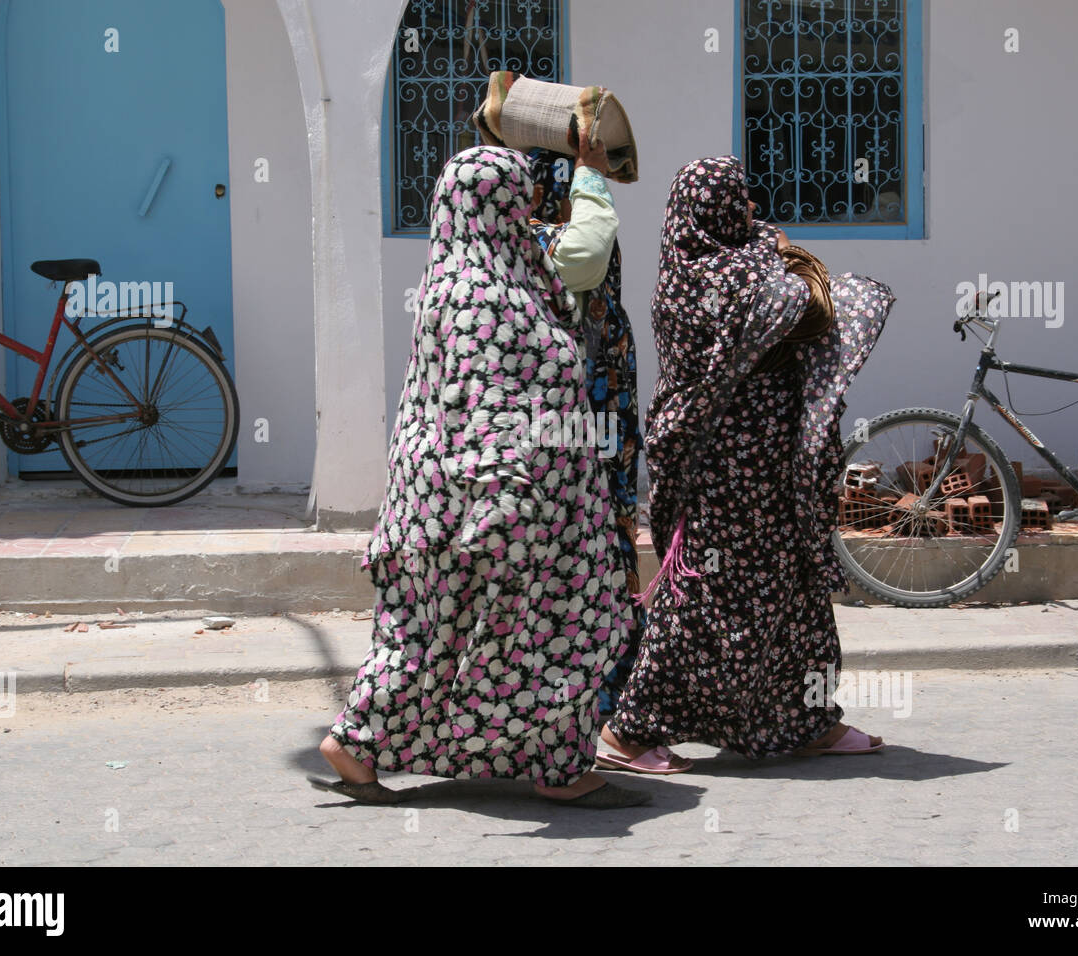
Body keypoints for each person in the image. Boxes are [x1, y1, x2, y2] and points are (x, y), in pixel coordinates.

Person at [311, 145, 649, 809]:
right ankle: (555, 768)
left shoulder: (472, 274)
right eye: (518, 203)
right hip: (497, 504)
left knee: (436, 633)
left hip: (460, 500)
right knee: (542, 629)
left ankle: (360, 745)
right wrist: (504, 509)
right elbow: (485, 403)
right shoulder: (482, 293)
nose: (527, 217)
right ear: (499, 206)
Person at [597, 156, 895, 773]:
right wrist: (780, 250)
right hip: (726, 471)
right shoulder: (709, 277)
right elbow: (806, 305)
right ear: (722, 209)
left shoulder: (722, 266)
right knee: (706, 595)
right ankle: (628, 730)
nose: (752, 213)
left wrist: (775, 250)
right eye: (740, 202)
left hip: (768, 469)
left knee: (791, 588)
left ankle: (803, 720)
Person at [526, 135, 645, 718]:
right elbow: (589, 253)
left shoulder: (544, 239)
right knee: (585, 544)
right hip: (571, 424)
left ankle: (608, 682)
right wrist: (592, 175)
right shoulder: (538, 244)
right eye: (568, 193)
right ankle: (587, 693)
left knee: (606, 536)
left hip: (602, 417)